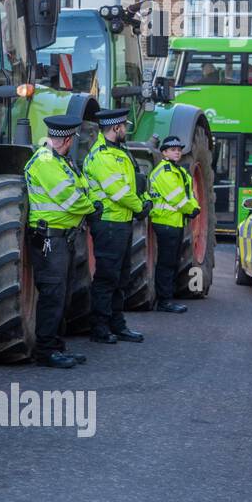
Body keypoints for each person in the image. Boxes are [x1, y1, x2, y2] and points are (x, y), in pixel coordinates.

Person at [24, 114, 98, 368]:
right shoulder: (46, 162)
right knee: (53, 295)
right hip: (49, 239)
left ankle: (57, 345)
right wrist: (90, 207)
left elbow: (81, 187)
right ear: (67, 140)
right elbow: (71, 197)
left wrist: (85, 201)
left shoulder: (59, 161)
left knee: (62, 295)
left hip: (61, 239)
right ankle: (46, 350)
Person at [81, 108, 148, 344]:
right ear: (116, 128)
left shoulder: (120, 151)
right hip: (108, 223)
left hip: (122, 221)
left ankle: (117, 324)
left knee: (121, 277)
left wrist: (142, 200)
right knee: (107, 278)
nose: (126, 130)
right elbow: (118, 191)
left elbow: (131, 184)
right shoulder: (102, 156)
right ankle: (100, 327)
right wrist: (140, 206)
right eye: (124, 126)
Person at [147, 136, 200, 313]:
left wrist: (194, 207)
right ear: (164, 152)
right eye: (172, 149)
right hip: (166, 222)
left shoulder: (179, 171)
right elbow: (176, 197)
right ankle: (164, 301)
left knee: (171, 262)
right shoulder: (164, 172)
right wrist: (191, 210)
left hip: (174, 222)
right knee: (166, 263)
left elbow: (189, 195)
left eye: (178, 149)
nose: (177, 151)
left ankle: (167, 298)